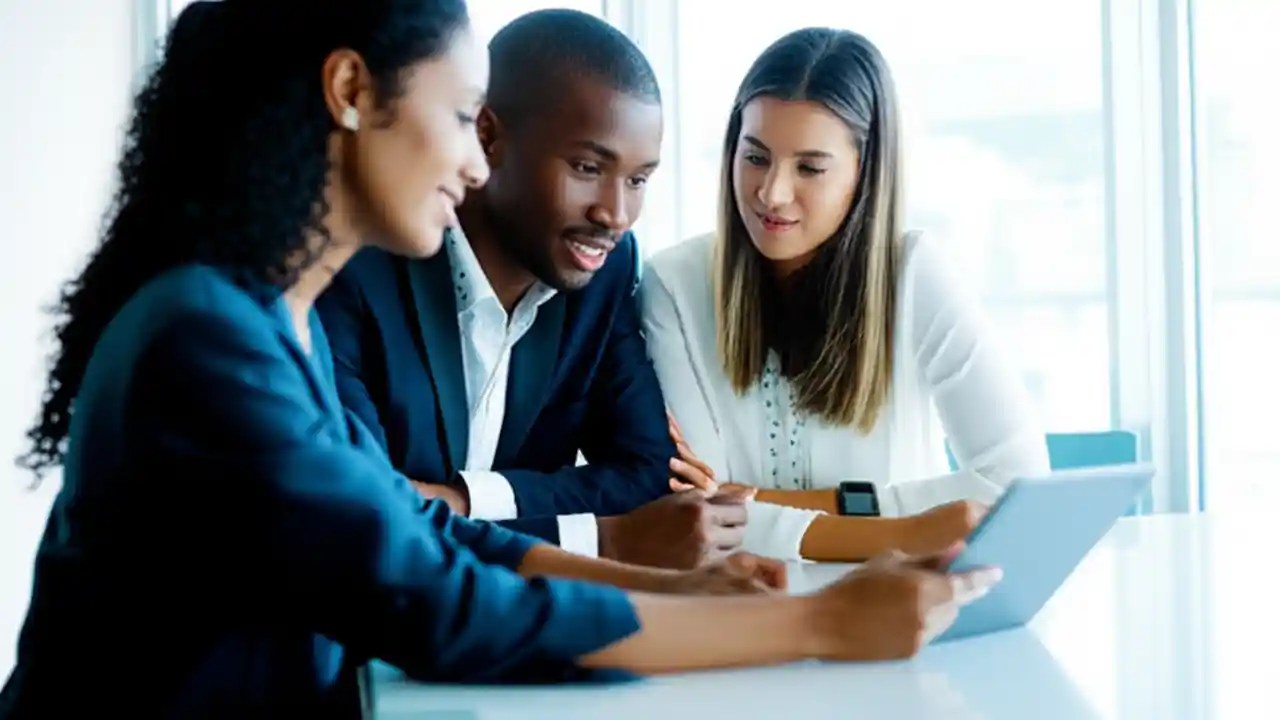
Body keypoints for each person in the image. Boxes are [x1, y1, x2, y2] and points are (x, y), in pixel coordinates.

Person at [0, 4, 1000, 716]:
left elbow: (427, 538)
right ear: (349, 93)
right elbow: (435, 602)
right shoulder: (204, 339)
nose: (476, 164)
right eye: (458, 119)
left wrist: (684, 594)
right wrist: (813, 630)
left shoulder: (263, 324)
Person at [316, 9, 747, 570]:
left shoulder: (605, 271)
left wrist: (465, 499)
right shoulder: (358, 266)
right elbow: (367, 517)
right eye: (588, 167)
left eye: (638, 180)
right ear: (488, 136)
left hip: (505, 629)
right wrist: (601, 538)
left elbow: (648, 476)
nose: (615, 214)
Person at [640, 27, 1051, 562]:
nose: (772, 193)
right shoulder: (673, 284)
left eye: (809, 167)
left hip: (898, 611)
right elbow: (698, 519)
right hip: (741, 615)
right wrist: (907, 527)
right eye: (756, 157)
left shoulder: (914, 273)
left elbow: (1018, 490)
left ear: (865, 172)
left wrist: (765, 503)